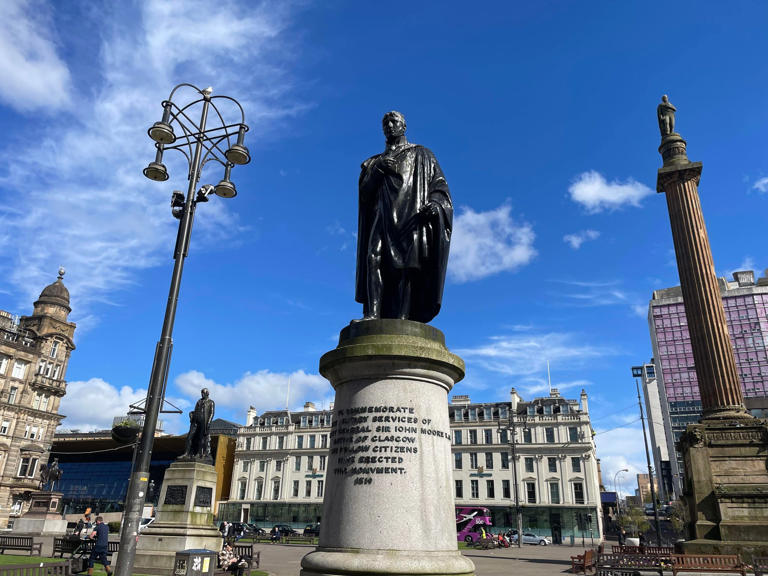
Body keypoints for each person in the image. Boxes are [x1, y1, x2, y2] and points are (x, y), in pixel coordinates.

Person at [355, 111, 453, 323]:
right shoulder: (373, 163)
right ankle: (372, 313)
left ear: (404, 126)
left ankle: (403, 316)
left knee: (405, 267)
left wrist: (436, 204)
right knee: (373, 259)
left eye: (394, 121)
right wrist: (379, 170)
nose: (390, 125)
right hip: (381, 219)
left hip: (411, 218)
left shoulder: (422, 155)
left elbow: (439, 186)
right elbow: (364, 194)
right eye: (385, 123)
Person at [182, 388, 215, 460]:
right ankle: (186, 453)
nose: (202, 394)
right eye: (201, 393)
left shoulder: (211, 402)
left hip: (203, 421)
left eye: (203, 393)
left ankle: (199, 454)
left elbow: (211, 413)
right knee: (189, 436)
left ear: (207, 394)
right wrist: (191, 414)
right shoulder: (199, 401)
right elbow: (195, 410)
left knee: (201, 438)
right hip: (195, 420)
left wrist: (208, 422)